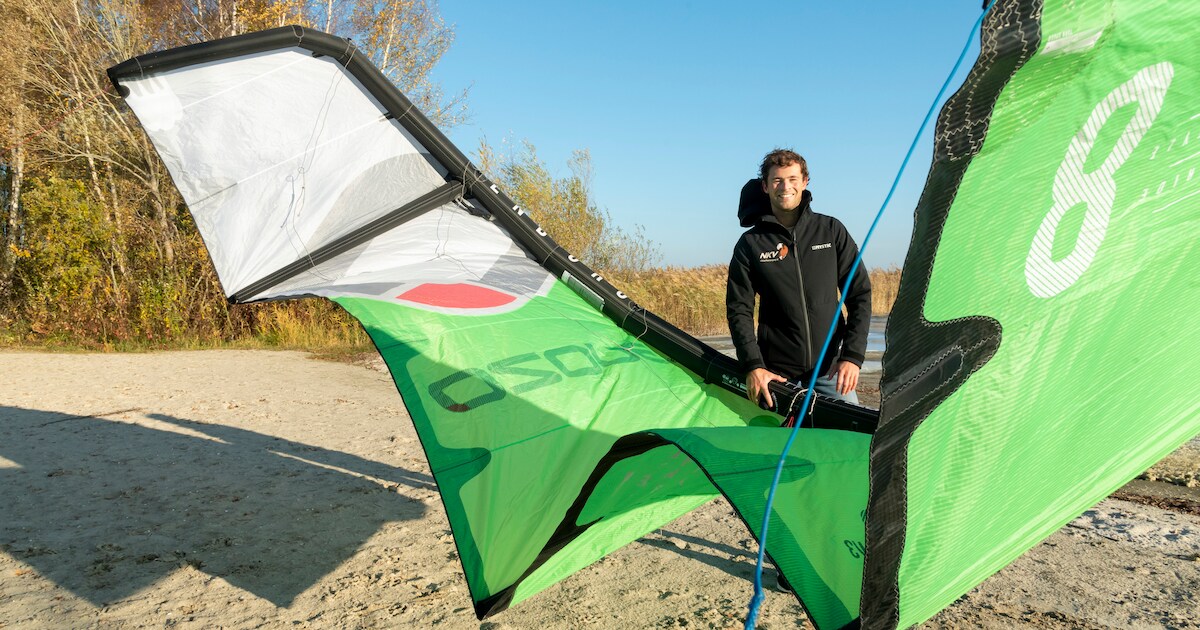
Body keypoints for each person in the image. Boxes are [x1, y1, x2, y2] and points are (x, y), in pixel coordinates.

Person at [726, 148, 872, 410]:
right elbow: (739, 309)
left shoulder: (830, 230)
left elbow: (859, 294)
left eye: (793, 179)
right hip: (777, 376)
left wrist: (852, 356)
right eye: (777, 180)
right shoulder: (750, 244)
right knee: (772, 447)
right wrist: (753, 366)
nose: (786, 187)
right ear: (765, 186)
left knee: (852, 440)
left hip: (830, 372)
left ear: (805, 183)